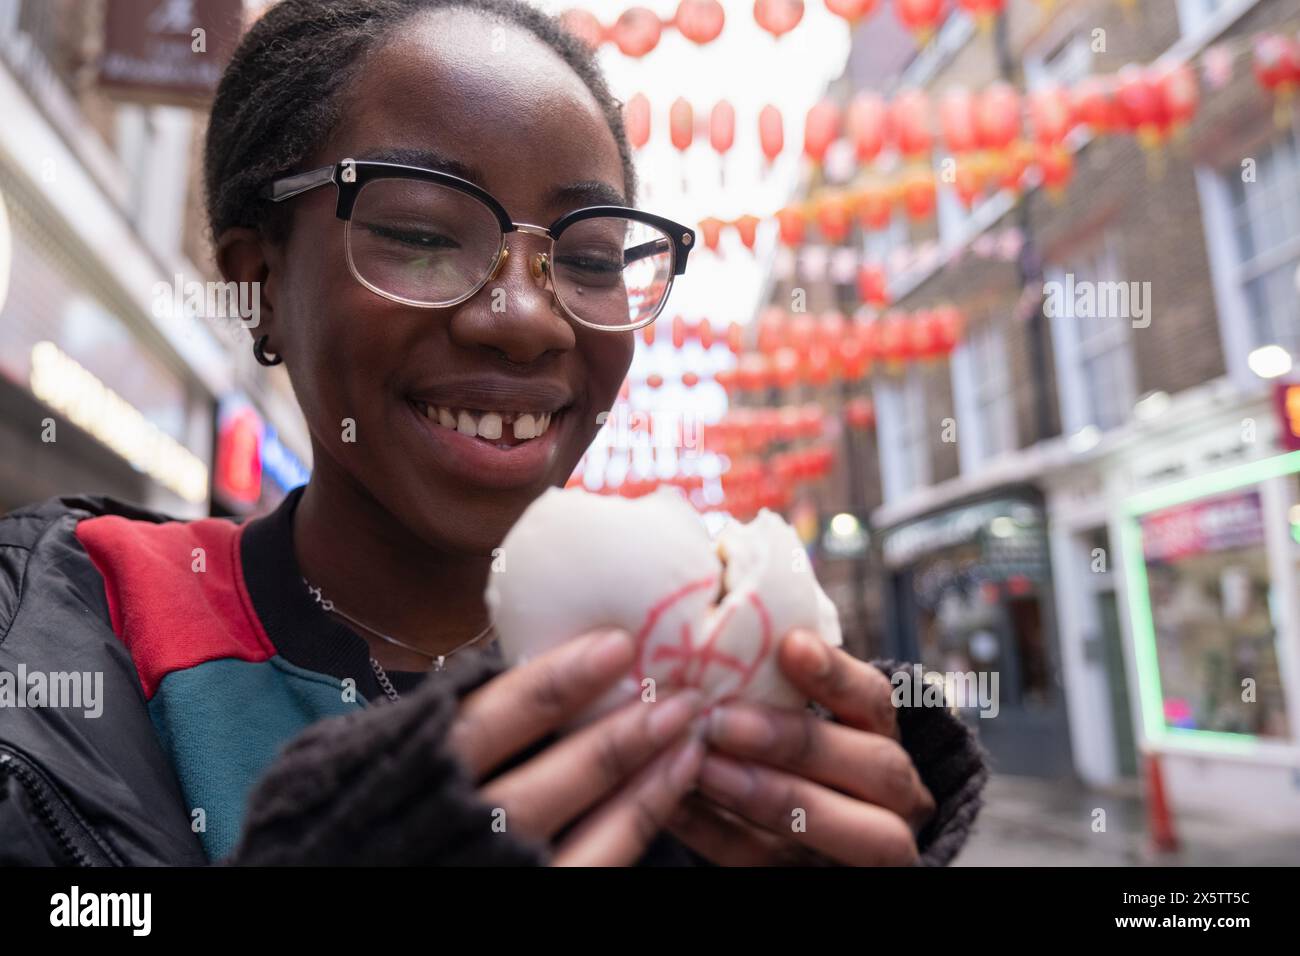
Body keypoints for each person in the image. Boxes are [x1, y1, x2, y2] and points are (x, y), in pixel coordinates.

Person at [0, 0, 986, 866]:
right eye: (425, 234)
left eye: (591, 256)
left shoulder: (715, 692)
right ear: (257, 282)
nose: (523, 317)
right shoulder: (59, 634)